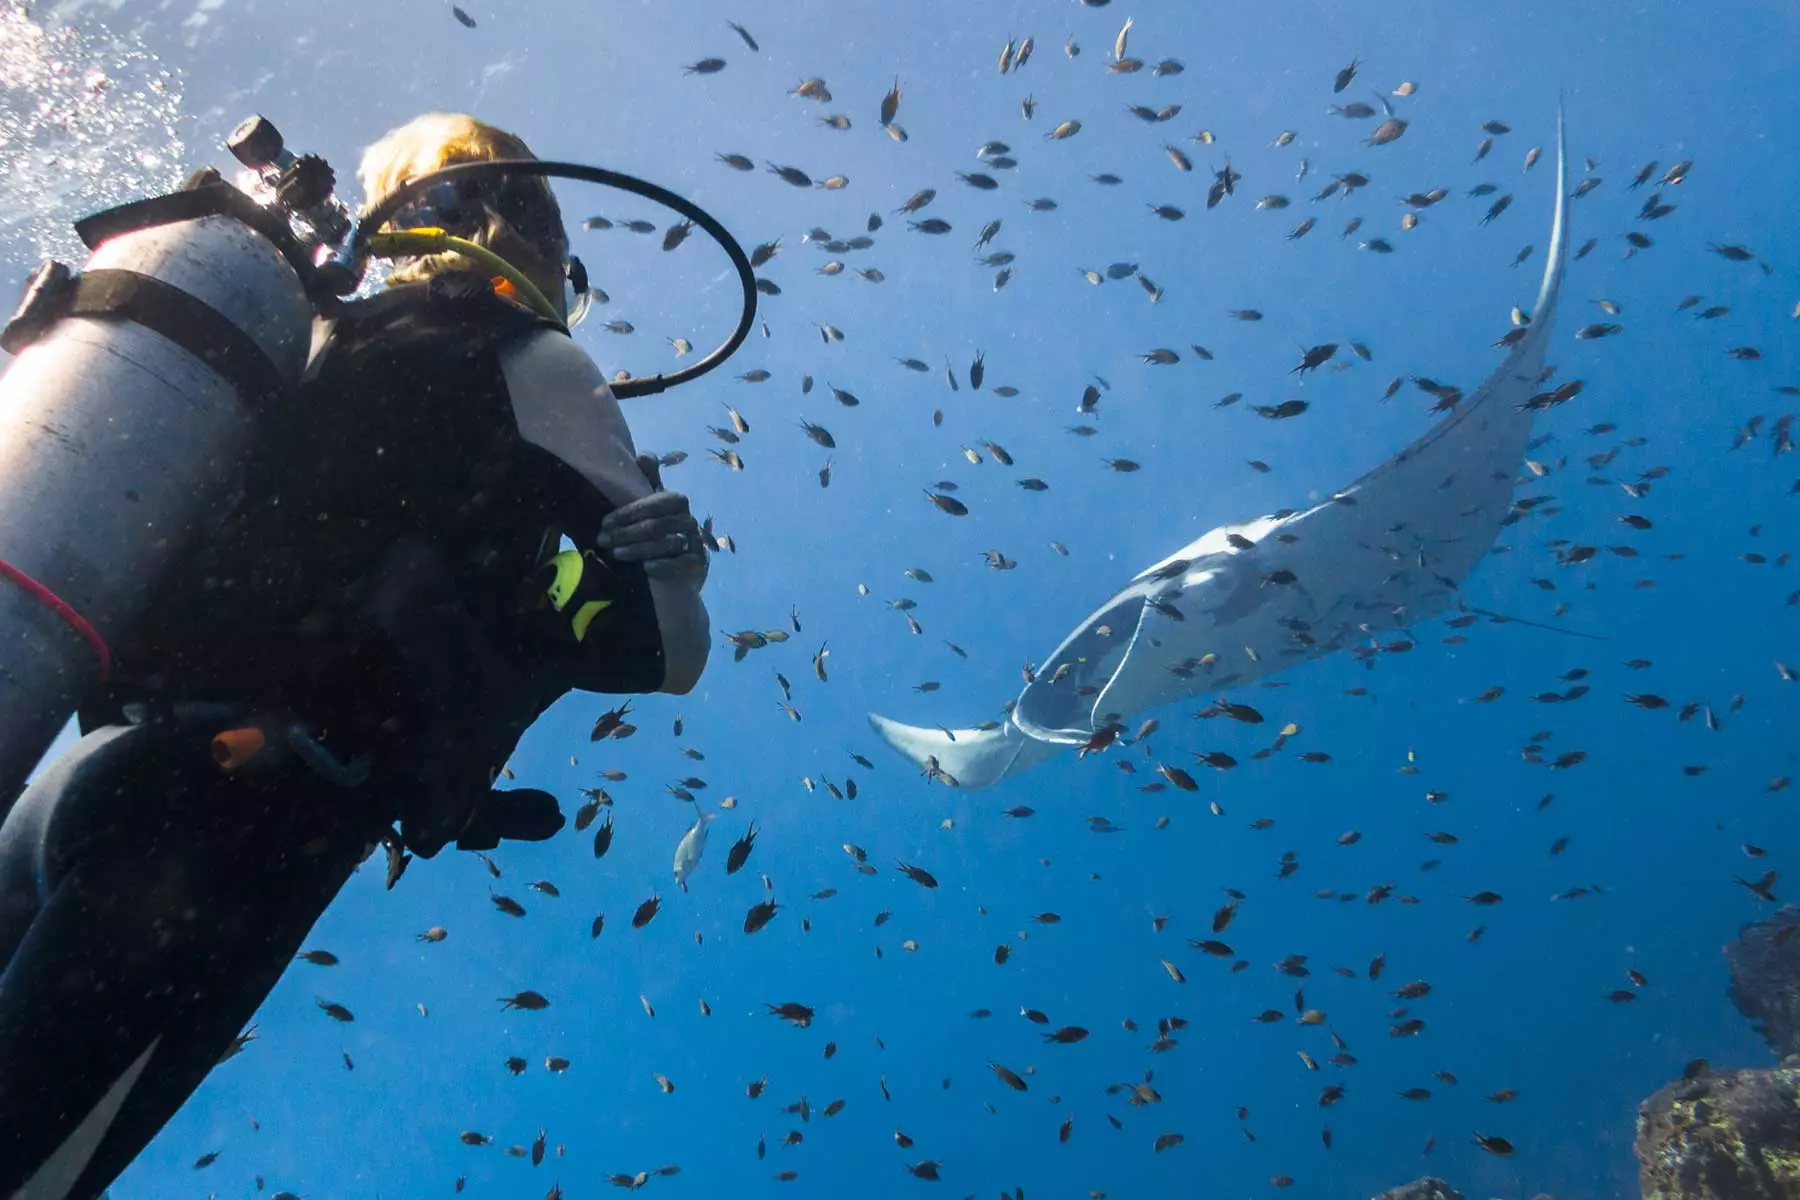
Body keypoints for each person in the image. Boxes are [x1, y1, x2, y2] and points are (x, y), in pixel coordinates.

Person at [0, 112, 711, 1198]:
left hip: (75, 765)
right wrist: (674, 566)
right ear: (510, 217)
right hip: (238, 829)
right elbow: (670, 656)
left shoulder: (313, 343)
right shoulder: (529, 356)